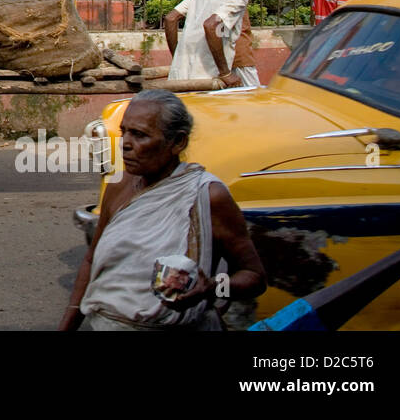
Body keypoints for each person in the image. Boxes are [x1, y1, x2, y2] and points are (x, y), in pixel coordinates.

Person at [60, 90, 266, 331]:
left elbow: (254, 278)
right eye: (124, 131)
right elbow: (90, 260)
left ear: (177, 142)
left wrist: (211, 287)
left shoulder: (207, 196)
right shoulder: (118, 187)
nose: (125, 144)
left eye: (139, 135)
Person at [163, 0, 267, 88]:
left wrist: (178, 57)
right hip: (205, 80)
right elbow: (211, 26)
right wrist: (225, 74)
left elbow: (171, 18)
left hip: (179, 75)